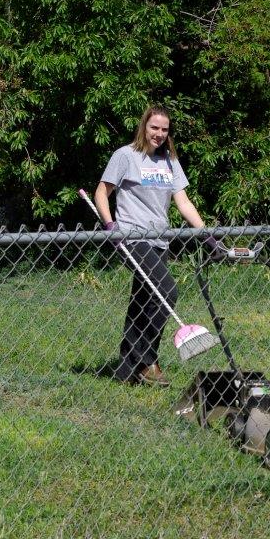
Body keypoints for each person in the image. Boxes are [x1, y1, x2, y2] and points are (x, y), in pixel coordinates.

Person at [93, 104, 207, 386]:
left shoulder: (170, 161)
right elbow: (101, 192)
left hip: (159, 240)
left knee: (142, 302)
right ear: (144, 126)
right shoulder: (126, 156)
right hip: (132, 238)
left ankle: (125, 370)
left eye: (164, 129)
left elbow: (183, 202)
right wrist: (111, 227)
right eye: (154, 127)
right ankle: (147, 360)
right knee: (166, 290)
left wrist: (207, 234)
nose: (159, 134)